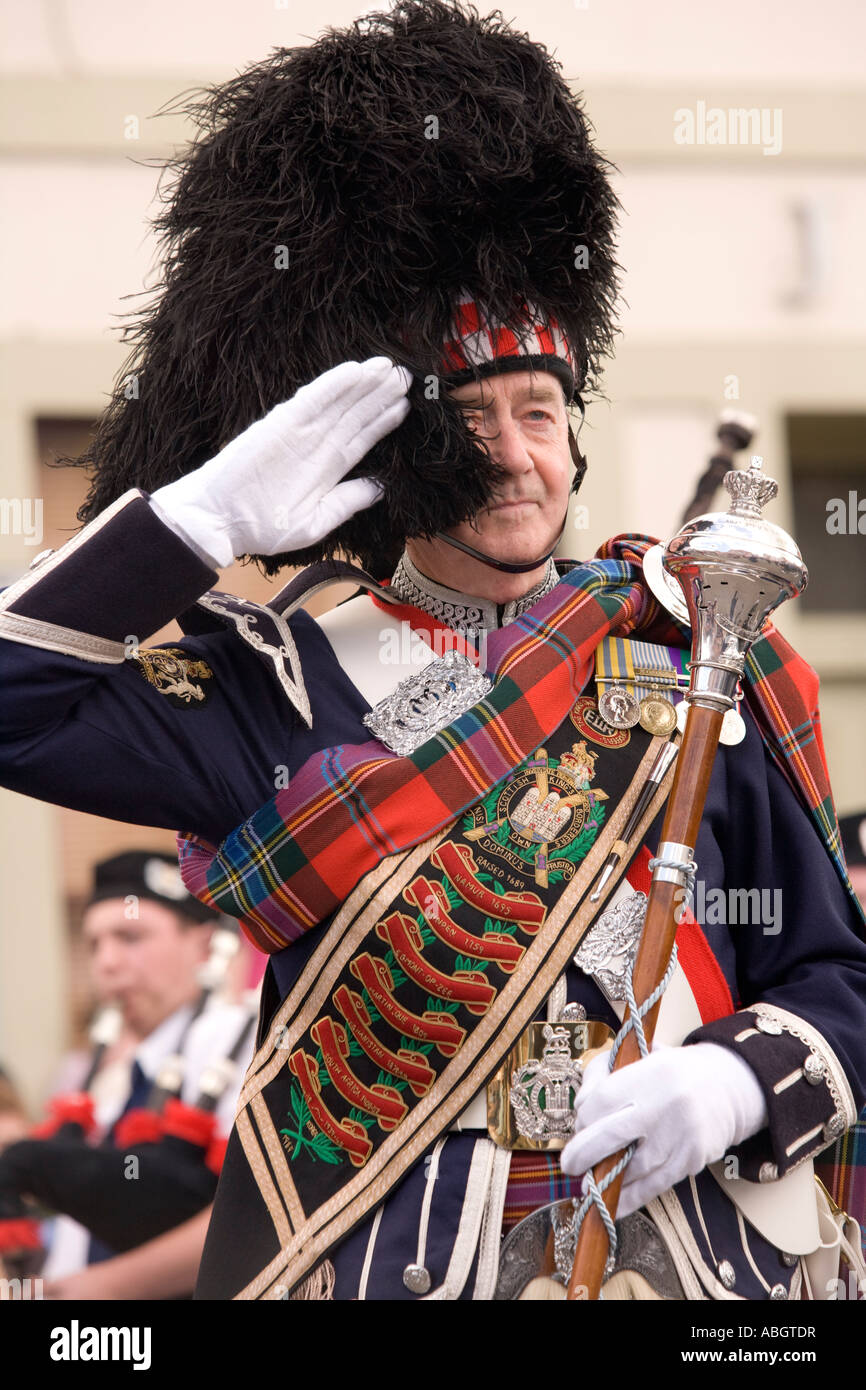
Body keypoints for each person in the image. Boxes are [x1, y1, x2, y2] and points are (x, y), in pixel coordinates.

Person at [0, 1, 864, 1301]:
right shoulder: (272, 676)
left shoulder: (689, 652)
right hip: (388, 1257)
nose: (522, 455)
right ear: (403, 447)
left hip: (696, 1253)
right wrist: (195, 523)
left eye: (543, 410)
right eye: (475, 418)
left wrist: (743, 1071)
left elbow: (830, 967)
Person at [5, 851, 256, 1298]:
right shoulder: (111, 1078)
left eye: (129, 936)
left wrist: (92, 1290)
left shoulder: (234, 1039)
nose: (106, 963)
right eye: (95, 944)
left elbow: (251, 1212)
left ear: (204, 947)